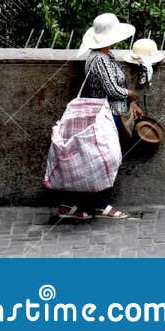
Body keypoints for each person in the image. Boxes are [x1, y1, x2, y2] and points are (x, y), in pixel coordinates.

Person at [53, 13, 146, 221]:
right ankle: (97, 205)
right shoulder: (100, 60)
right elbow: (113, 89)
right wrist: (130, 94)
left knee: (98, 159)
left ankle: (88, 204)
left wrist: (131, 103)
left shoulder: (105, 56)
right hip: (104, 115)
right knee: (103, 159)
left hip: (111, 113)